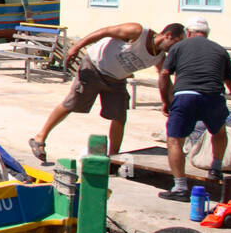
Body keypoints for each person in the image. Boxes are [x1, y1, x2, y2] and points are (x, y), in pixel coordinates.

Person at [30, 21, 185, 161]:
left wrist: (169, 101)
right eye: (176, 43)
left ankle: (113, 158)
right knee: (72, 103)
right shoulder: (138, 32)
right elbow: (104, 31)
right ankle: (39, 138)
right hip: (94, 67)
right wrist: (76, 47)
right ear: (168, 35)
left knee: (119, 116)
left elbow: (164, 79)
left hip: (116, 80)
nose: (175, 49)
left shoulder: (160, 58)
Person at [157, 17, 231, 200]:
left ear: (188, 33)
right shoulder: (220, 50)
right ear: (207, 33)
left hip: (185, 97)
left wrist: (166, 101)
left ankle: (180, 187)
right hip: (214, 97)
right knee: (219, 132)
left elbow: (164, 75)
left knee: (175, 141)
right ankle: (216, 168)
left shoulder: (177, 48)